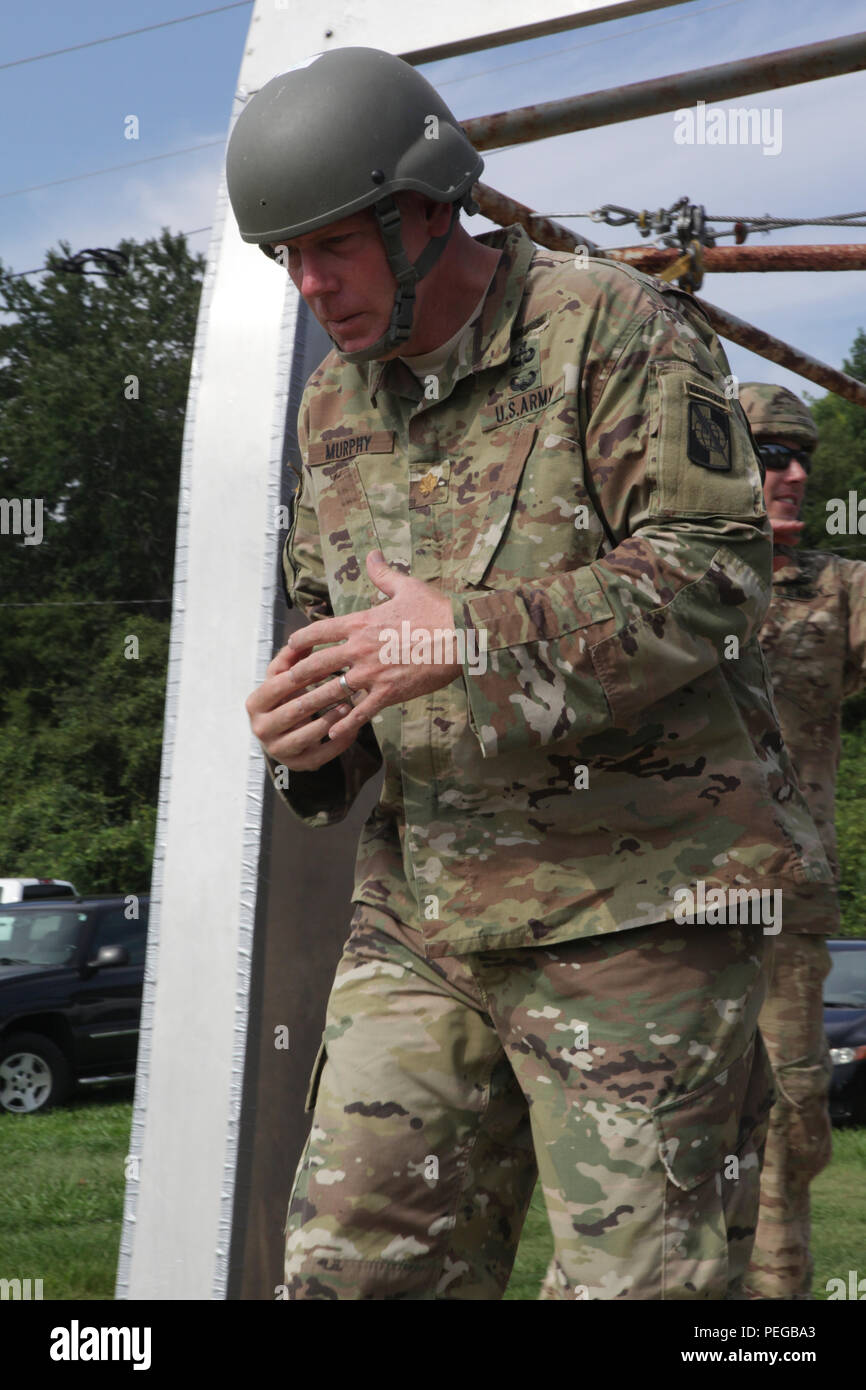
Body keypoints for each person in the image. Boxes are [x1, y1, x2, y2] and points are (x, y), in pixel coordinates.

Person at [226, 47, 834, 1300]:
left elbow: (716, 579)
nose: (308, 285)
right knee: (349, 1270)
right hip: (423, 916)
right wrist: (310, 737)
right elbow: (331, 624)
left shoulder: (608, 325)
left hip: (636, 911)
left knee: (639, 1286)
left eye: (331, 245)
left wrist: (474, 633)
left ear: (421, 210)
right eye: (285, 257)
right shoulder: (333, 406)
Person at [739, 382, 866, 1300]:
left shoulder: (838, 586)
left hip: (781, 908)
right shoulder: (651, 580)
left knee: (791, 1128)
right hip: (655, 906)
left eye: (803, 460)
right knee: (652, 1132)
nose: (793, 475)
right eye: (770, 457)